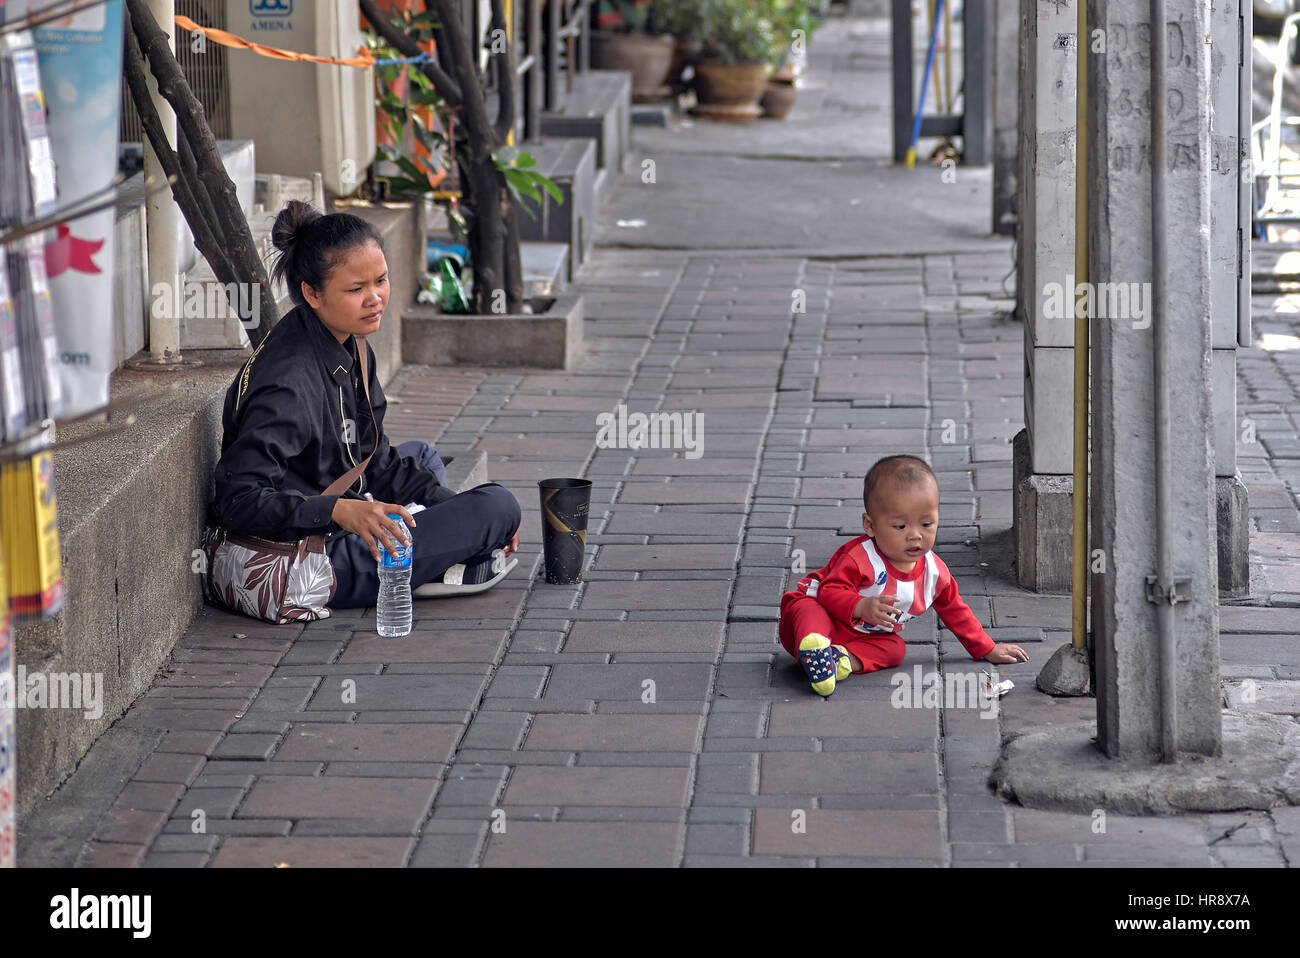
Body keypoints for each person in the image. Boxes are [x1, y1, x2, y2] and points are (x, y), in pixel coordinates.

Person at [212, 200, 521, 609]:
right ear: (312, 293)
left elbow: (373, 461)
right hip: (307, 554)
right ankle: (430, 563)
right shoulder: (287, 385)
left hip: (339, 502)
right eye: (356, 289)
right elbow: (238, 500)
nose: (374, 298)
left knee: (424, 458)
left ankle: (436, 553)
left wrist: (453, 508)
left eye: (381, 280)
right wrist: (339, 512)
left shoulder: (348, 342)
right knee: (499, 506)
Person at [778, 454, 1028, 696]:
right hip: (815, 618)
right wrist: (860, 605)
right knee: (808, 609)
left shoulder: (934, 573)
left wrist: (986, 647)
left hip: (858, 637)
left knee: (895, 649)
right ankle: (813, 647)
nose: (915, 535)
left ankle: (838, 661)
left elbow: (956, 611)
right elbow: (828, 592)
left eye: (926, 524)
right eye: (900, 526)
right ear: (870, 526)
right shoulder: (861, 558)